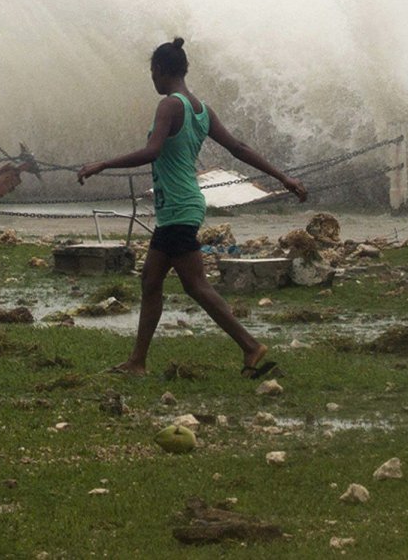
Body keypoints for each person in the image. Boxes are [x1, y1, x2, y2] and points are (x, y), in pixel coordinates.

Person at [78, 38, 307, 378]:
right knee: (151, 281)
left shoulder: (170, 106)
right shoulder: (201, 109)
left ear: (159, 71)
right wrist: (283, 177)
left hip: (180, 207)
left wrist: (103, 164)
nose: (151, 79)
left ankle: (250, 346)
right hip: (179, 206)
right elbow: (239, 148)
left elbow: (153, 151)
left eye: (151, 73)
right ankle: (137, 362)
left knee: (195, 284)